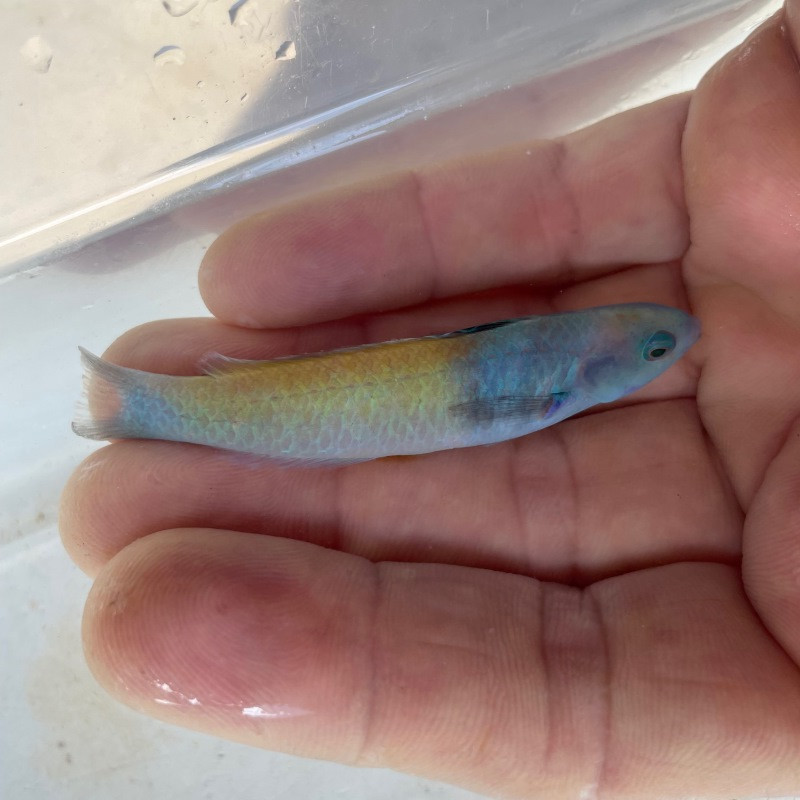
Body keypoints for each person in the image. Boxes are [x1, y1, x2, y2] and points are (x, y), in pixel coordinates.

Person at [60, 3, 800, 797]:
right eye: (653, 353)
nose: (670, 351)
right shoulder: (567, 377)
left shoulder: (575, 360)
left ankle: (147, 405)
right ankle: (145, 405)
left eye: (654, 350)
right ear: (594, 366)